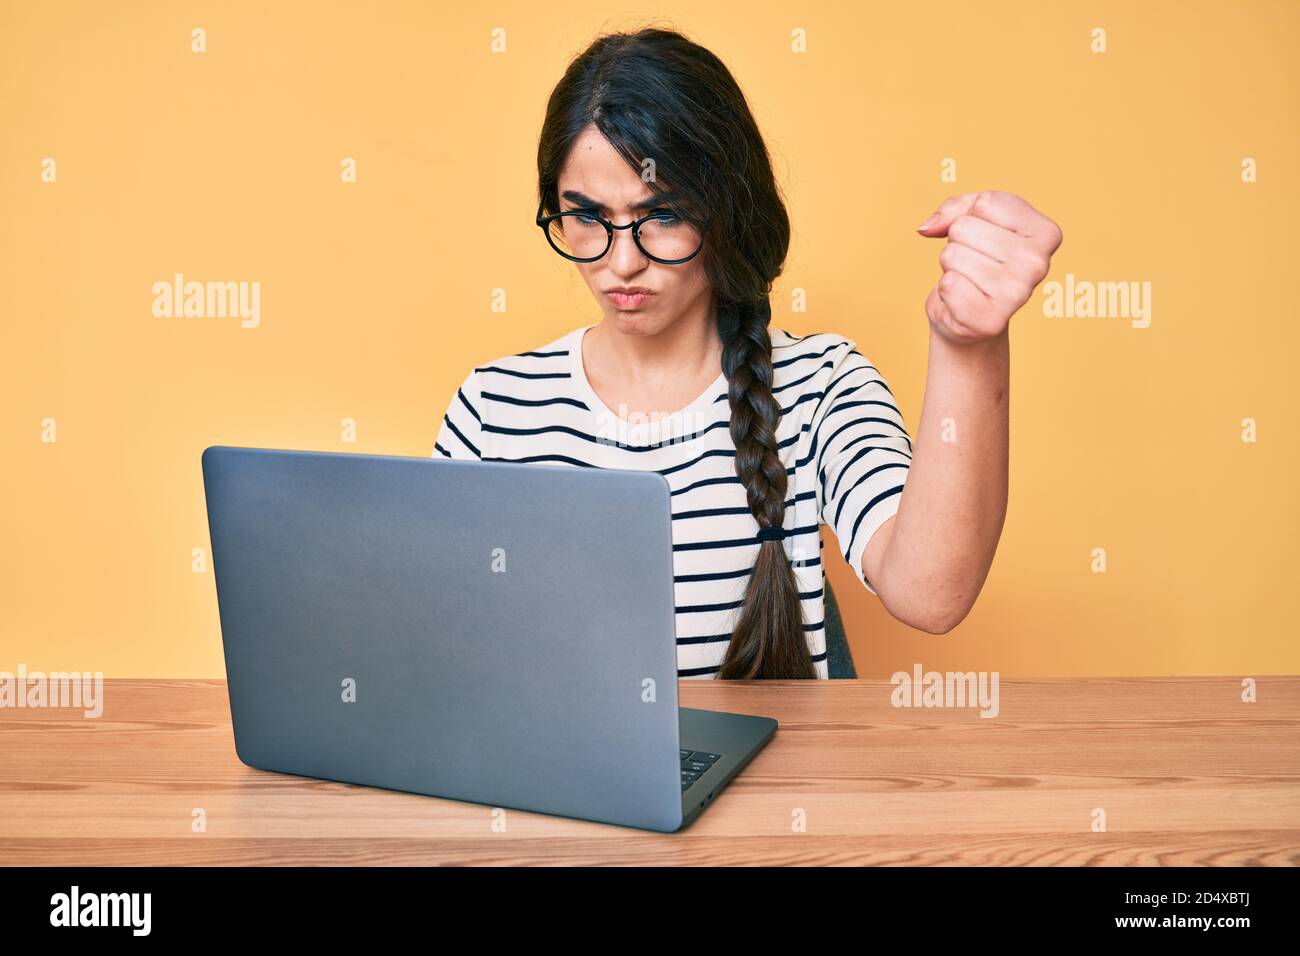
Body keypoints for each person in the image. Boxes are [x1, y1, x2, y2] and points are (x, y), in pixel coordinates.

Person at [435, 27, 1062, 679]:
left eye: (664, 216)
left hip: (781, 785)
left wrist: (968, 343)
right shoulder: (492, 408)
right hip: (560, 780)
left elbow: (931, 594)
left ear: (727, 210)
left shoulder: (823, 383)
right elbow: (439, 649)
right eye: (588, 216)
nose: (620, 264)